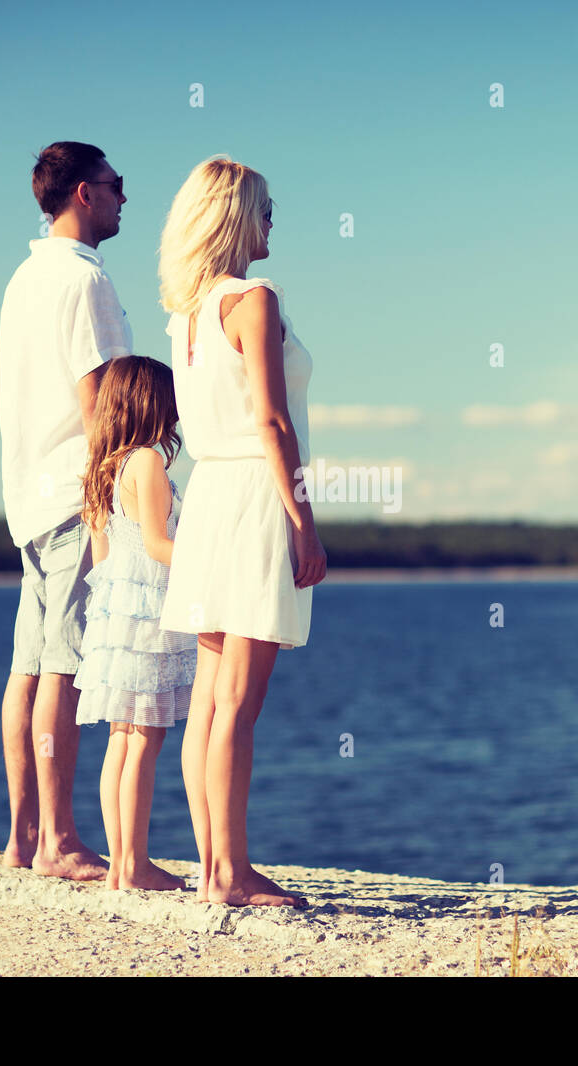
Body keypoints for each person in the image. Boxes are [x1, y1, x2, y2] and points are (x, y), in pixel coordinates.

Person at [157, 155, 328, 908]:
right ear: (233, 218)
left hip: (208, 499)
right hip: (255, 498)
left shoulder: (184, 318)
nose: (271, 223)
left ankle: (211, 867)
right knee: (239, 706)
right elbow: (272, 420)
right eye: (263, 210)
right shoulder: (253, 301)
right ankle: (230, 873)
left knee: (209, 703)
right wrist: (304, 521)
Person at [0, 141, 130, 880]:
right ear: (85, 192)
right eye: (116, 184)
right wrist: (116, 494)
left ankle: (21, 839)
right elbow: (98, 401)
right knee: (66, 666)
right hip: (75, 495)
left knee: (28, 666)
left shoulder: (23, 278)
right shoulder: (85, 282)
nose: (123, 198)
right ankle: (60, 843)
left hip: (27, 496)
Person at [73, 355, 196, 891]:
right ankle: (135, 865)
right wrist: (209, 559)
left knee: (121, 740)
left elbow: (102, 556)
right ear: (152, 403)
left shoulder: (104, 467)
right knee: (145, 738)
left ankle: (120, 864)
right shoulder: (146, 462)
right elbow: (157, 544)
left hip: (112, 617)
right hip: (147, 613)